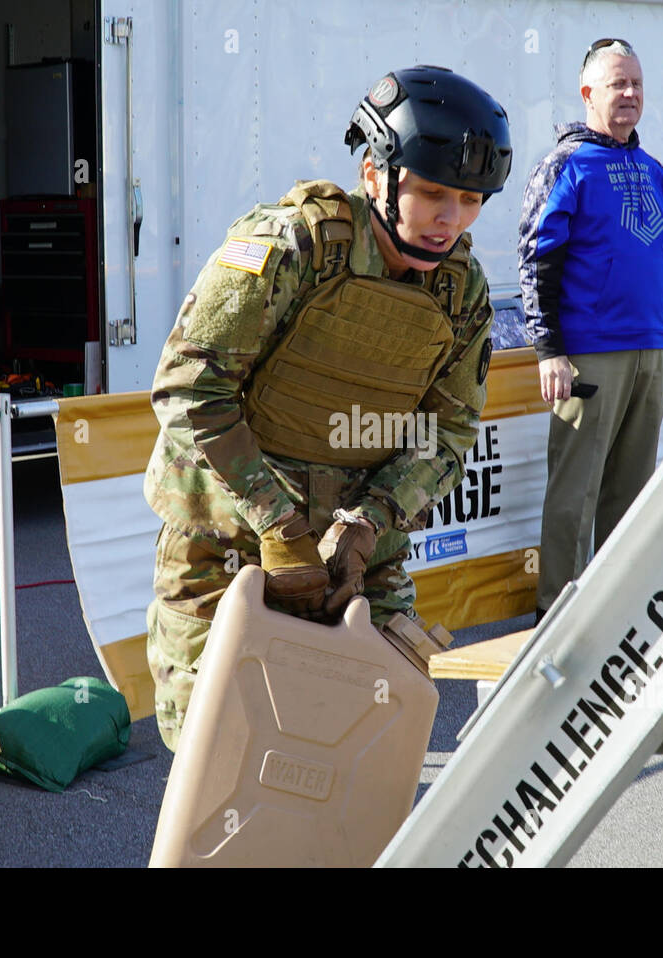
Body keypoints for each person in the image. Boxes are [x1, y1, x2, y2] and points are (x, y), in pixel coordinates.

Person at [142, 66, 512, 750]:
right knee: (222, 766)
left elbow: (449, 428)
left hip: (357, 567)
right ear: (376, 175)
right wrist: (277, 527)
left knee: (365, 760)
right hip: (229, 554)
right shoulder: (295, 247)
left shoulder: (461, 291)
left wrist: (370, 523)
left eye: (469, 200)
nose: (450, 220)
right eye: (433, 193)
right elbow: (191, 388)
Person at [518, 39, 663, 621]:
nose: (630, 94)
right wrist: (549, 350)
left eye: (637, 84)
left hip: (651, 351)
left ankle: (617, 614)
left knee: (633, 495)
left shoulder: (655, 171)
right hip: (589, 357)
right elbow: (536, 258)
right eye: (618, 84)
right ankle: (560, 617)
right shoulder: (564, 165)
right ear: (588, 93)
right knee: (575, 494)